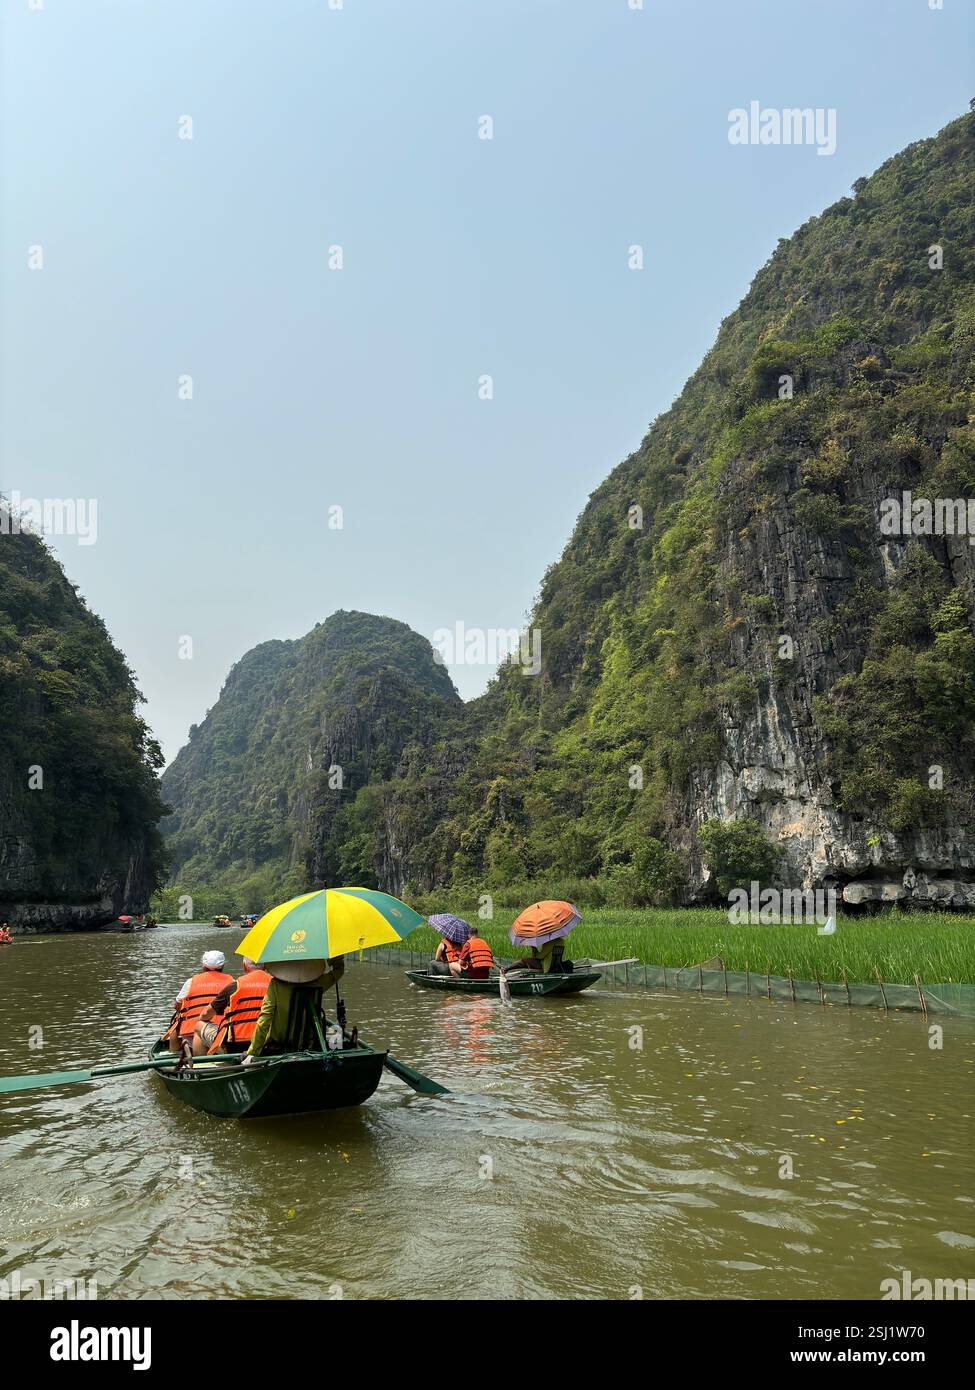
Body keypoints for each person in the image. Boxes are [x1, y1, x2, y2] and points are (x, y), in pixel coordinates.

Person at [243, 957, 346, 1064]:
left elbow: (264, 1020)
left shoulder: (276, 985)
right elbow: (339, 970)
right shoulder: (319, 982)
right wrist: (334, 958)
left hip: (279, 1047)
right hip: (310, 1046)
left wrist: (252, 1052)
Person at [194, 957, 272, 1056]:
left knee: (199, 1025)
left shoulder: (234, 986)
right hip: (268, 1043)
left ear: (244, 966)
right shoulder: (276, 986)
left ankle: (201, 1063)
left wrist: (202, 1018)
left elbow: (206, 1014)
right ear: (265, 967)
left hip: (235, 1046)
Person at [164, 950, 235, 1052]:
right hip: (223, 1033)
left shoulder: (191, 982)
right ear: (222, 965)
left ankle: (174, 1053)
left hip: (191, 1034)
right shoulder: (232, 982)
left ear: (203, 965)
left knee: (176, 1021)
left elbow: (178, 1006)